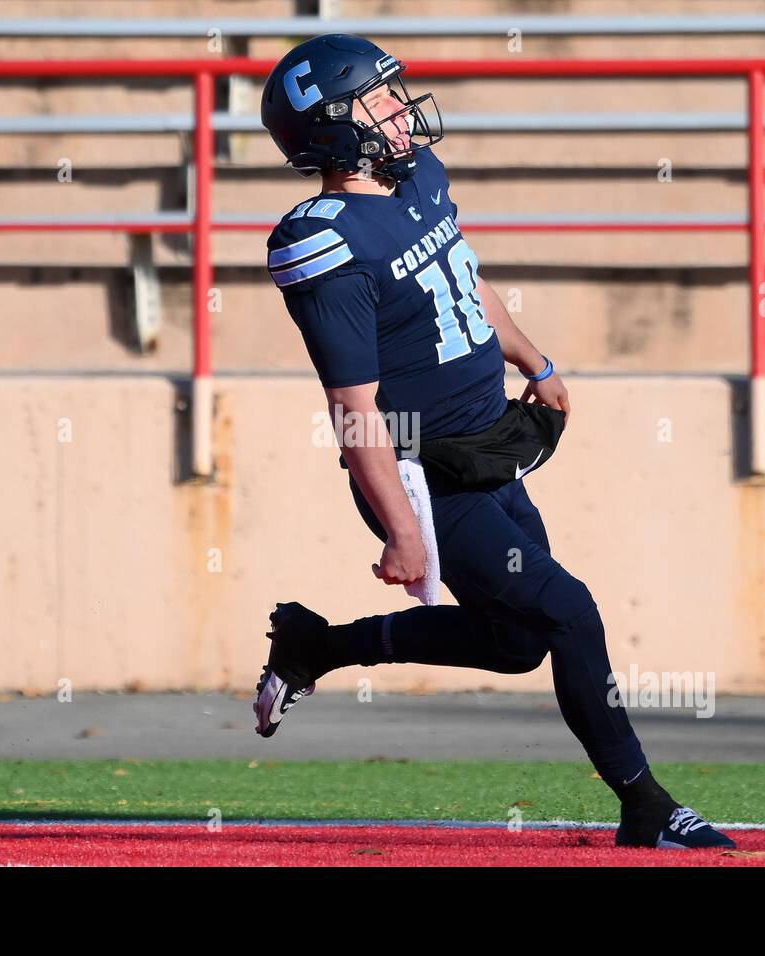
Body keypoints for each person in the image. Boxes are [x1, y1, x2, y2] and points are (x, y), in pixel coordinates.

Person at [254, 33, 733, 850]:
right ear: (334, 127)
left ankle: (317, 647)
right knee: (572, 614)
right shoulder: (323, 241)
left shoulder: (420, 178)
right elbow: (353, 408)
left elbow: (466, 280)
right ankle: (646, 806)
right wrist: (404, 530)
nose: (400, 109)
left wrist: (532, 357)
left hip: (488, 448)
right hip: (426, 476)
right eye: (378, 99)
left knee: (517, 645)